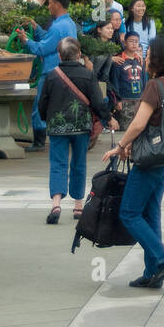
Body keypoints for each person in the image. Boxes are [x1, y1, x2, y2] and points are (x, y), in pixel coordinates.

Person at [103, 35, 164, 290]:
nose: (145, 56)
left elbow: (139, 123)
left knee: (129, 212)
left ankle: (163, 258)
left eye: (150, 53)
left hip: (149, 161)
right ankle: (152, 272)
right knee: (150, 213)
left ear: (159, 58)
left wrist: (120, 146)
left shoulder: (154, 85)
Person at [38, 38, 117, 223]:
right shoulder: (88, 75)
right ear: (79, 54)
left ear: (59, 55)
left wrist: (47, 119)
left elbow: (42, 103)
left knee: (58, 164)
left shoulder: (51, 75)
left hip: (57, 128)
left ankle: (56, 204)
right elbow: (98, 102)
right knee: (79, 164)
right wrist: (108, 119)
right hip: (81, 127)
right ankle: (78, 205)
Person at [15, 0, 80, 152]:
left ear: (57, 4)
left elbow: (42, 49)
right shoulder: (68, 23)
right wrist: (36, 29)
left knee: (40, 105)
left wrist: (25, 40)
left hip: (51, 71)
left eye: (50, 3)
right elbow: (49, 40)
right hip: (63, 71)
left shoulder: (58, 26)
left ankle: (38, 142)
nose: (48, 7)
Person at [108, 31, 146, 130]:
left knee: (138, 128)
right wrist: (117, 101)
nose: (134, 44)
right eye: (131, 41)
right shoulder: (119, 61)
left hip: (138, 99)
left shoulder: (140, 61)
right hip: (124, 100)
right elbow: (114, 82)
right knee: (125, 129)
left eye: (136, 41)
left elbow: (144, 80)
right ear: (125, 43)